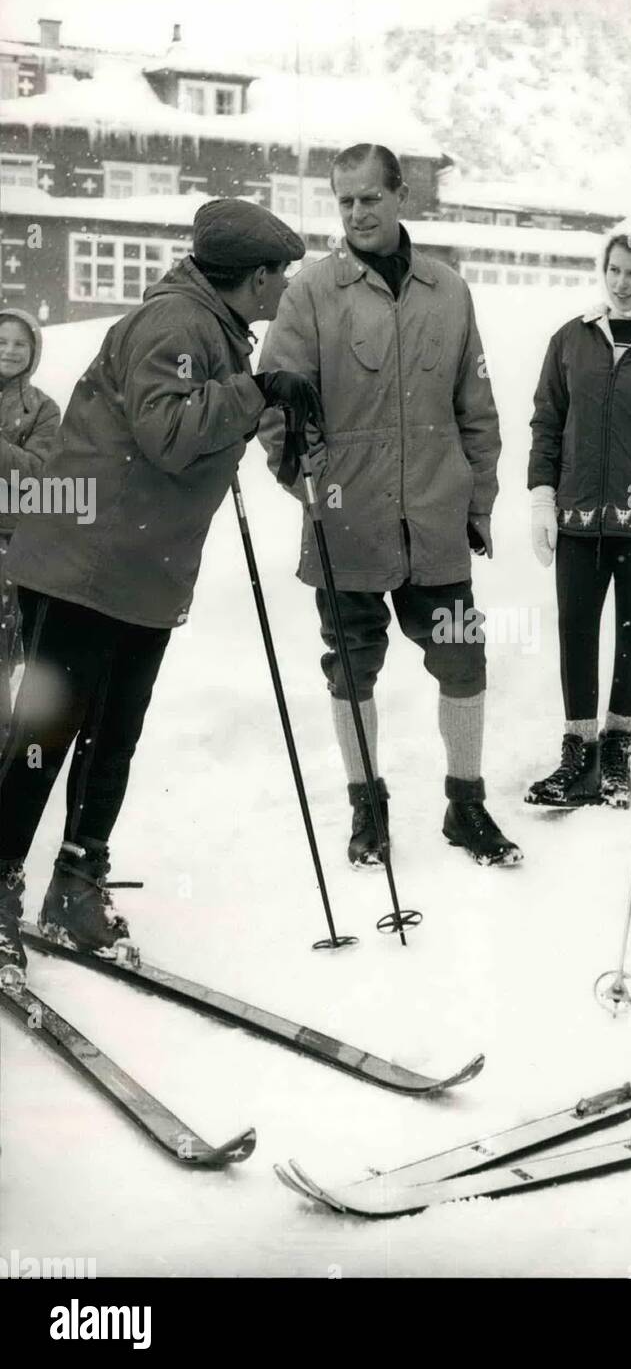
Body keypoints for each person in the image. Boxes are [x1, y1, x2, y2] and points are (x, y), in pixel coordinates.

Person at [0, 199, 322, 974]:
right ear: (256, 277)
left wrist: (260, 401)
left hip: (138, 573)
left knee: (113, 737)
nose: (285, 290)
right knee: (42, 741)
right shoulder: (175, 324)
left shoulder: (214, 330)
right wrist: (259, 392)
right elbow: (170, 434)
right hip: (84, 568)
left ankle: (75, 883)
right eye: (281, 275)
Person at [258, 143, 522, 869]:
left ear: (402, 196)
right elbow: (278, 409)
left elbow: (477, 407)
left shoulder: (449, 290)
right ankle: (366, 807)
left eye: (369, 197)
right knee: (350, 667)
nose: (356, 212)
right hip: (345, 520)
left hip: (434, 517)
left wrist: (478, 499)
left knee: (462, 660)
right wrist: (304, 484)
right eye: (343, 201)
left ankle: (465, 806)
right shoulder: (311, 293)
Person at [525, 220, 631, 809]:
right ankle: (578, 752)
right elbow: (548, 421)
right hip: (577, 520)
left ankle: (617, 748)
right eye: (614, 270)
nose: (622, 283)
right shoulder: (572, 339)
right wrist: (543, 495)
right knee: (576, 632)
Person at [0, 309, 61, 746]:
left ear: (33, 350)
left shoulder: (42, 409)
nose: (9, 351)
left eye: (20, 343)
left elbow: (38, 475)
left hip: (9, 541)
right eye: (2, 341)